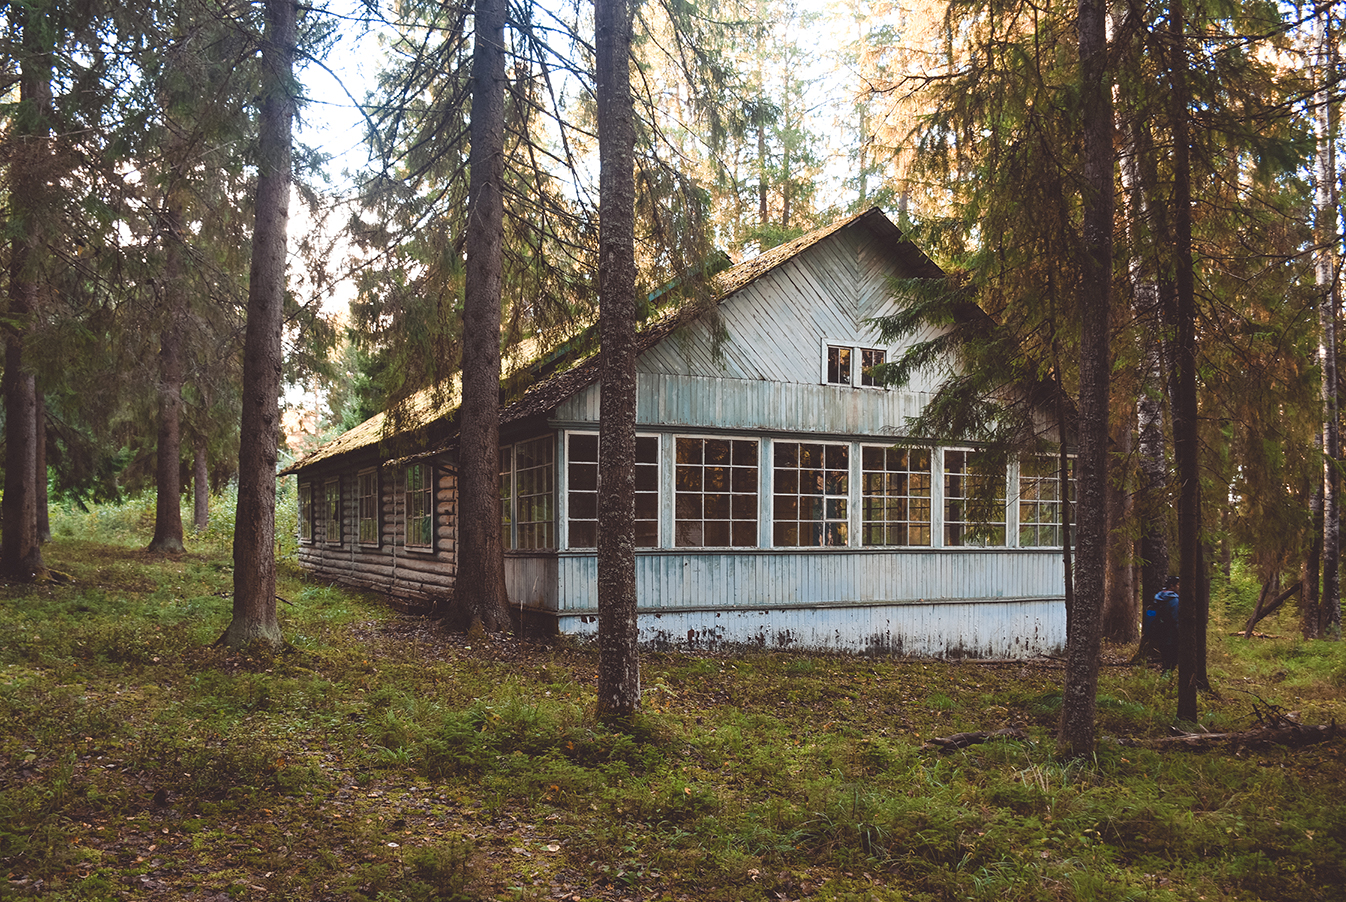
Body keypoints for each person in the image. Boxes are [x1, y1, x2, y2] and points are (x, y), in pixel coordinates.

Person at [1145, 576, 1180, 672]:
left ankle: (1165, 673)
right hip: (1171, 632)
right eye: (1178, 584)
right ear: (1172, 586)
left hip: (1160, 631)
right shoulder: (1174, 600)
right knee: (1172, 657)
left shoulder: (1159, 597)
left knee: (1165, 654)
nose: (1179, 587)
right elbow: (1175, 618)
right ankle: (1167, 675)